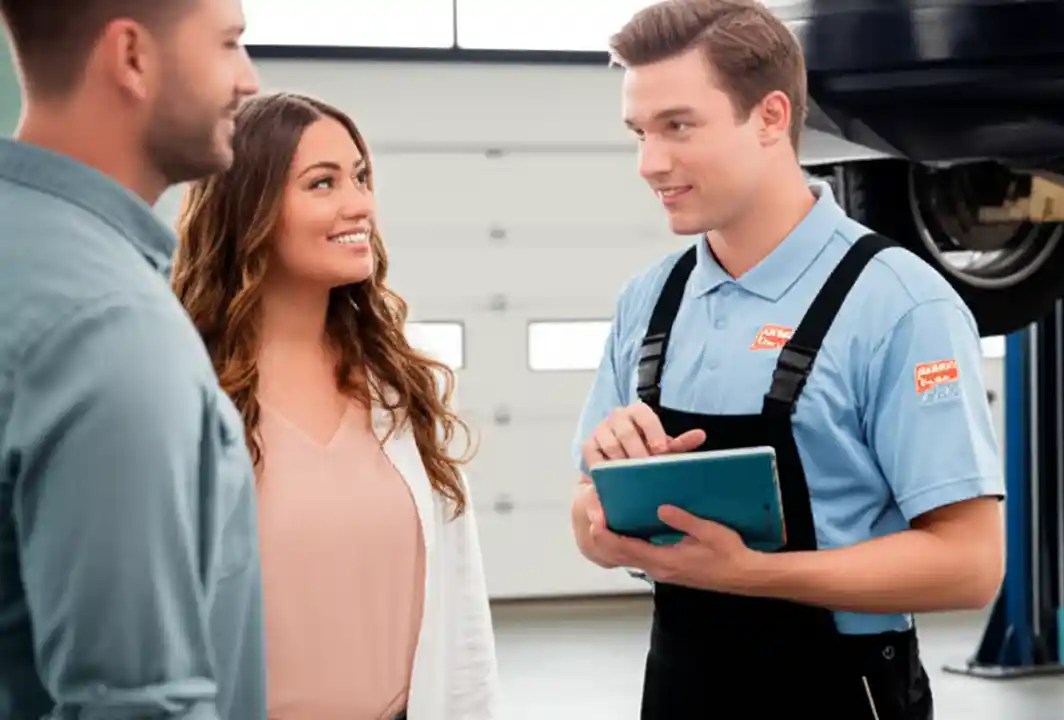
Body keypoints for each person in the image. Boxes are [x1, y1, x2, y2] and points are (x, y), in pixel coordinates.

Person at [570, 1, 1006, 718]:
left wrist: (754, 574)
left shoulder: (899, 306)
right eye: (639, 132)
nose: (651, 163)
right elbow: (585, 523)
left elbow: (969, 566)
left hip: (841, 691)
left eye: (679, 126)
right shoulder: (648, 303)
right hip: (679, 688)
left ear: (772, 117)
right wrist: (601, 515)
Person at [171, 91, 500, 720]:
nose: (361, 204)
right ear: (250, 209)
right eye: (322, 183)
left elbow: (460, 608)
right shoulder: (182, 390)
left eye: (361, 177)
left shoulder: (398, 383)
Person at [0, 0, 264, 718]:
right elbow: (136, 704)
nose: (249, 79)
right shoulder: (110, 327)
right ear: (132, 57)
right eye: (230, 44)